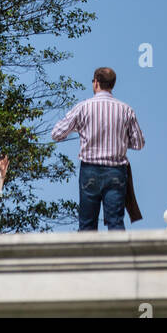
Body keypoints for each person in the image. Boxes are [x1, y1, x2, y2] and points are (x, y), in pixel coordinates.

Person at [51, 67, 144, 231]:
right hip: (116, 170)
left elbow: (57, 134)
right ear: (112, 85)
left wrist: (79, 129)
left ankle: (87, 256)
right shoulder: (125, 110)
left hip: (90, 170)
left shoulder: (83, 107)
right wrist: (120, 139)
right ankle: (119, 256)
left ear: (96, 82)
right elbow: (138, 143)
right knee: (115, 221)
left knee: (87, 224)